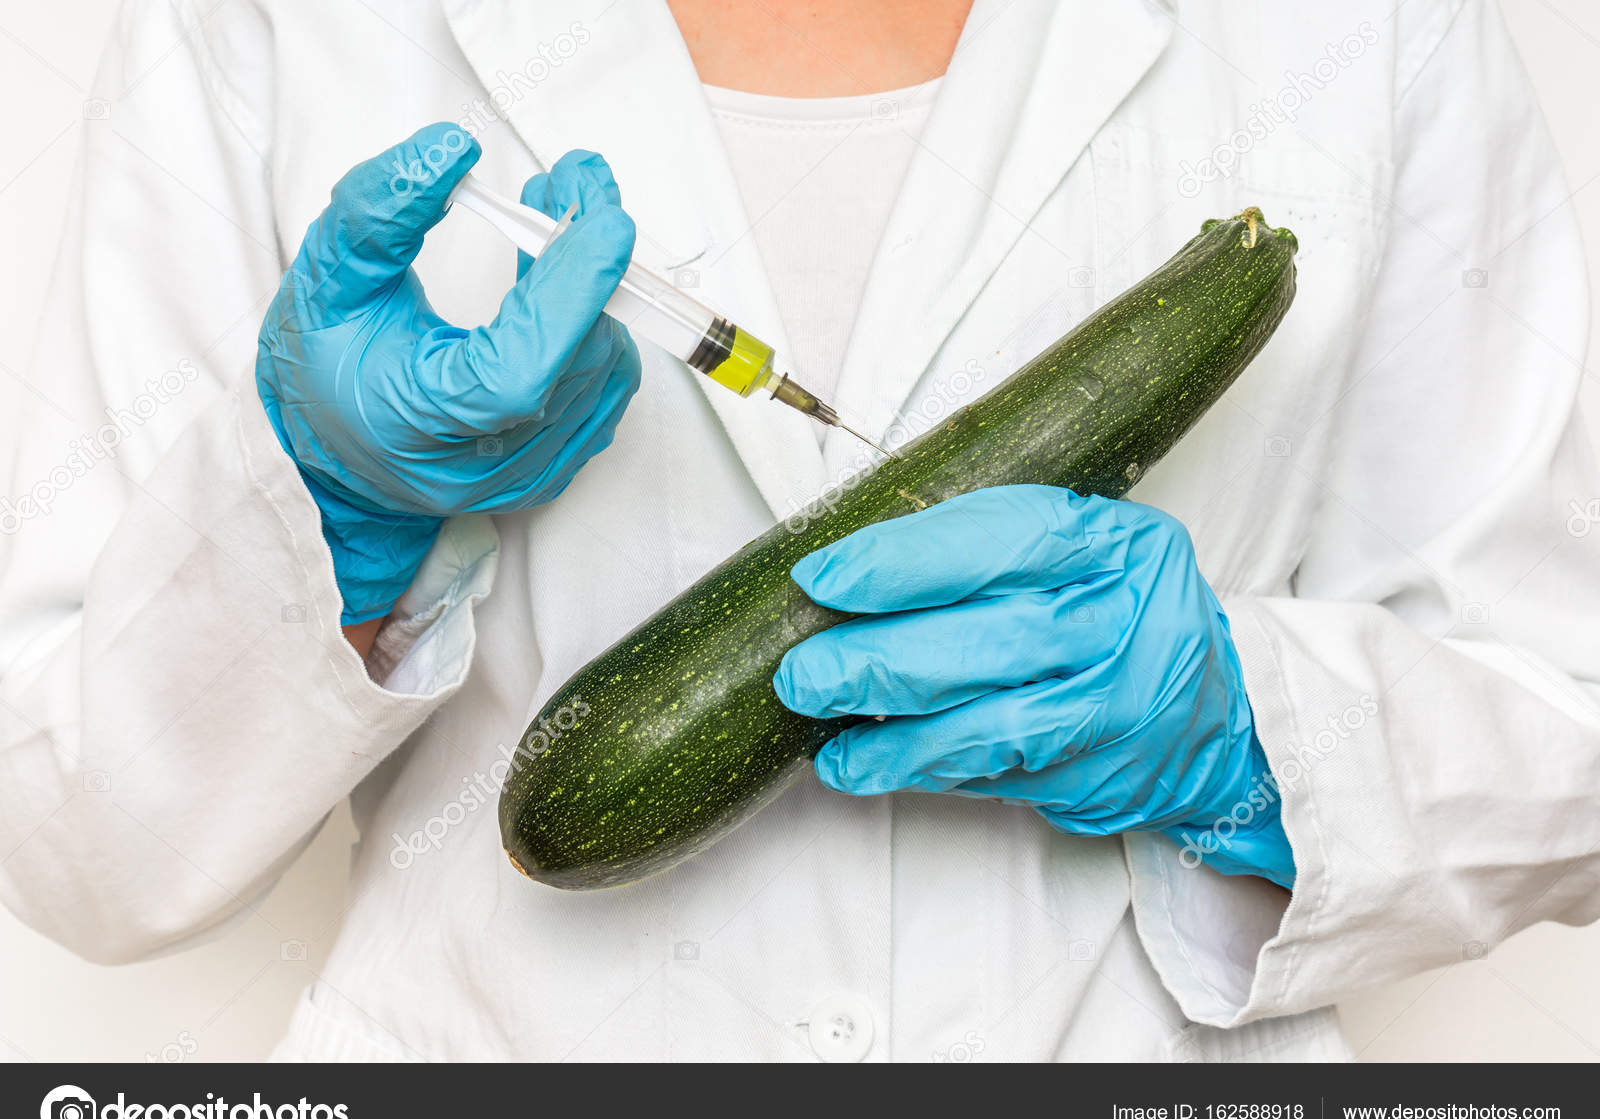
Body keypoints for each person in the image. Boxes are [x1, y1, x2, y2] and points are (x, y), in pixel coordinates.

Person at [2, 0, 1596, 1062]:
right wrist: (326, 523)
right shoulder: (268, 27)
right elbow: (77, 833)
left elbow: (1565, 725)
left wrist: (1249, 741)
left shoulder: (1366, 30)